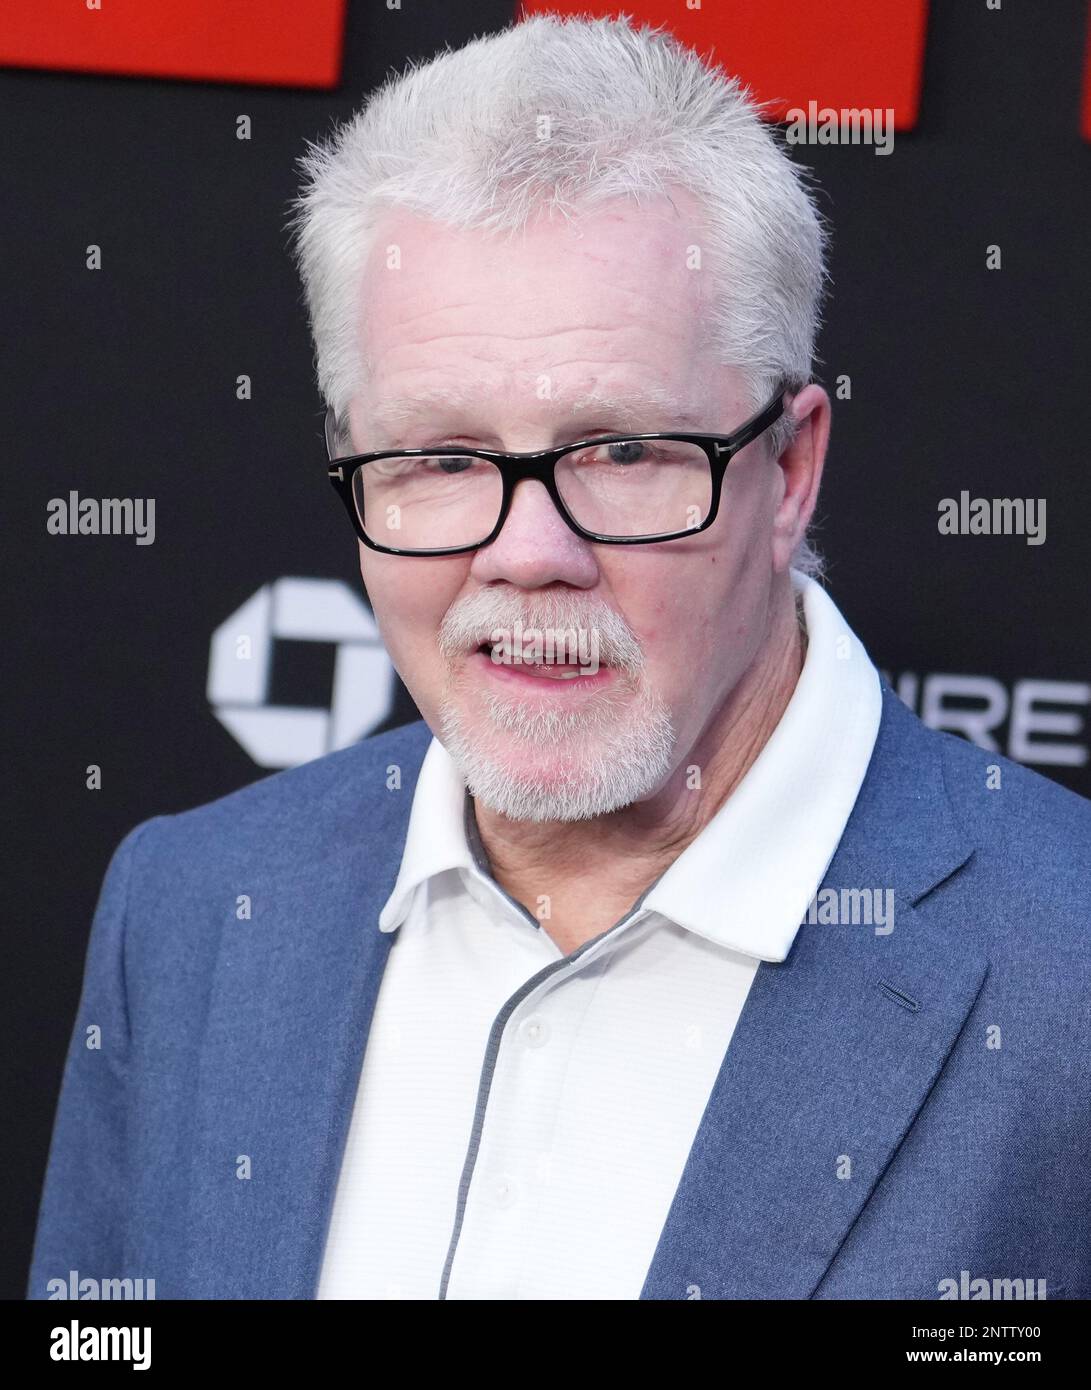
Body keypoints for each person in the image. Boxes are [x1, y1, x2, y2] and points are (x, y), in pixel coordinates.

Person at [29, 13, 1091, 1301]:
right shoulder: (191, 907)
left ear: (790, 470)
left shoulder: (1062, 972)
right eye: (437, 459)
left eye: (622, 452)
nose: (528, 553)